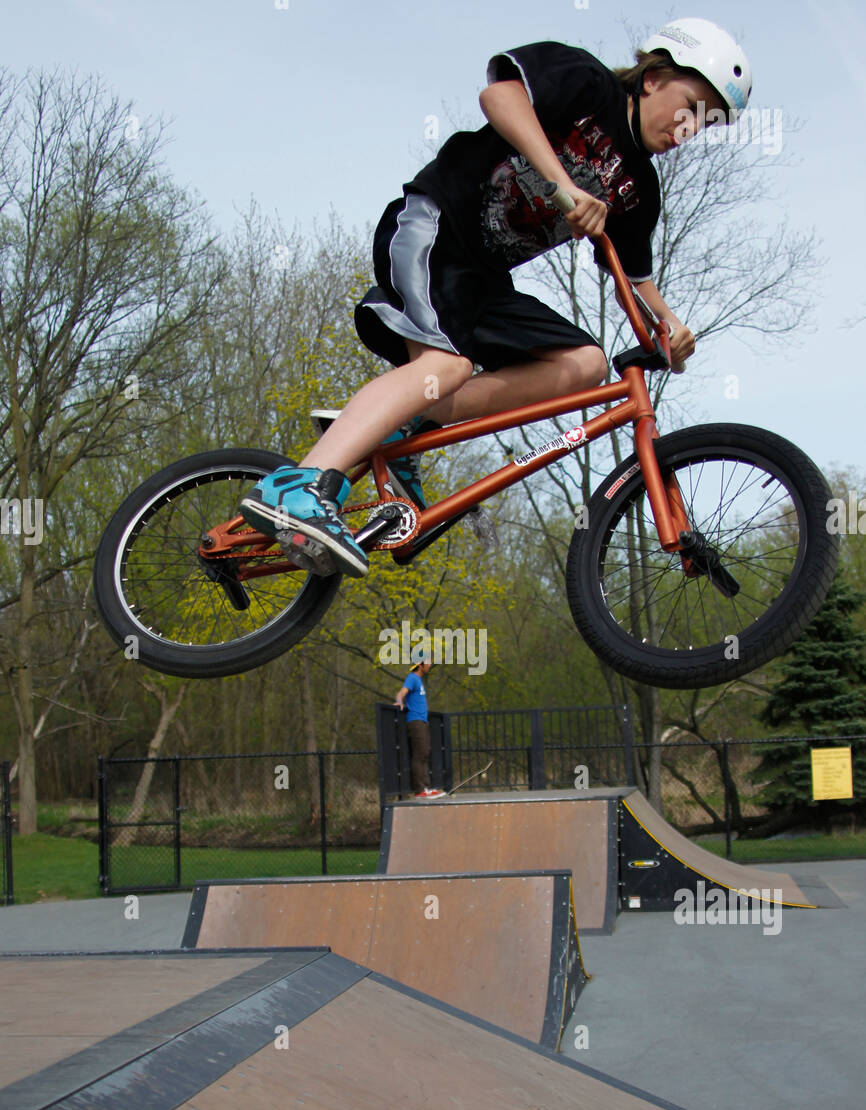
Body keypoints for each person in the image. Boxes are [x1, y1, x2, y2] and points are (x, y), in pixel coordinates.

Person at [240, 18, 752, 578]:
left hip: (482, 283)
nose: (689, 129)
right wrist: (562, 184)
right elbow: (499, 96)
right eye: (691, 106)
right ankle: (297, 484)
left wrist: (669, 326)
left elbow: (632, 274)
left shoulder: (640, 189)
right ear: (654, 77)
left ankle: (404, 418)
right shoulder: (588, 84)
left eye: (705, 124)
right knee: (448, 365)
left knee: (583, 363)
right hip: (436, 229)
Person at [394, 660, 445, 799]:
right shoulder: (412, 678)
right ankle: (419, 790)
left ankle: (427, 787)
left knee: (424, 753)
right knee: (419, 754)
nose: (430, 665)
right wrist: (399, 703)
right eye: (427, 663)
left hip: (423, 721)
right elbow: (401, 693)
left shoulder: (419, 681)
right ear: (420, 665)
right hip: (415, 721)